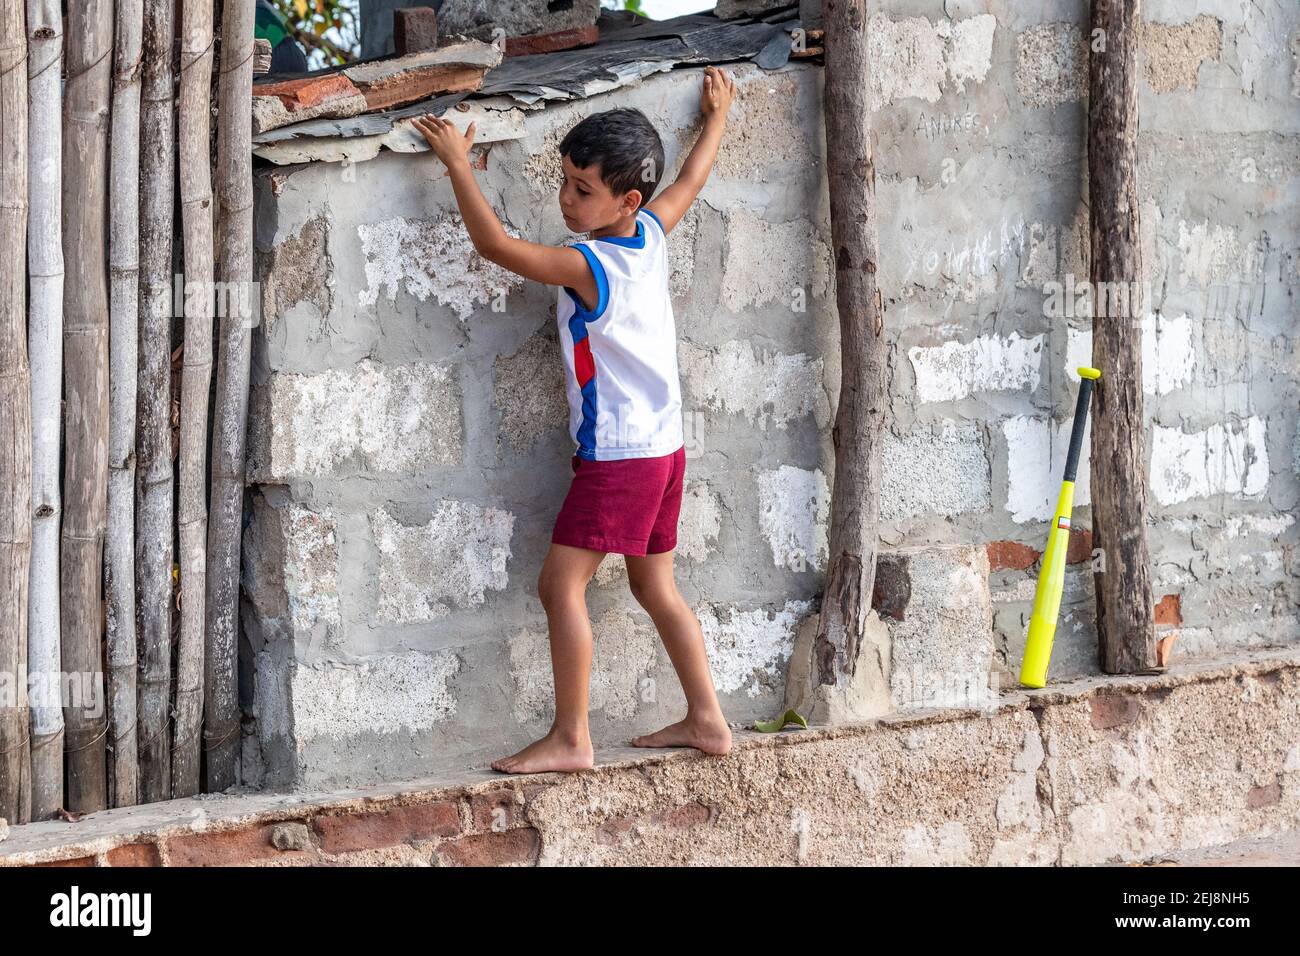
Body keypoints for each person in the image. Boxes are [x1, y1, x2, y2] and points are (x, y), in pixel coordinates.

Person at [414, 66, 738, 774]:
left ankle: (571, 737)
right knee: (656, 586)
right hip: (665, 449)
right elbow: (690, 180)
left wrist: (459, 167)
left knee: (560, 585)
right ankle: (709, 721)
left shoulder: (586, 265)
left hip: (621, 456)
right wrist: (716, 119)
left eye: (581, 190)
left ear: (625, 199)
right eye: (563, 180)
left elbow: (497, 248)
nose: (564, 199)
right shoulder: (650, 232)